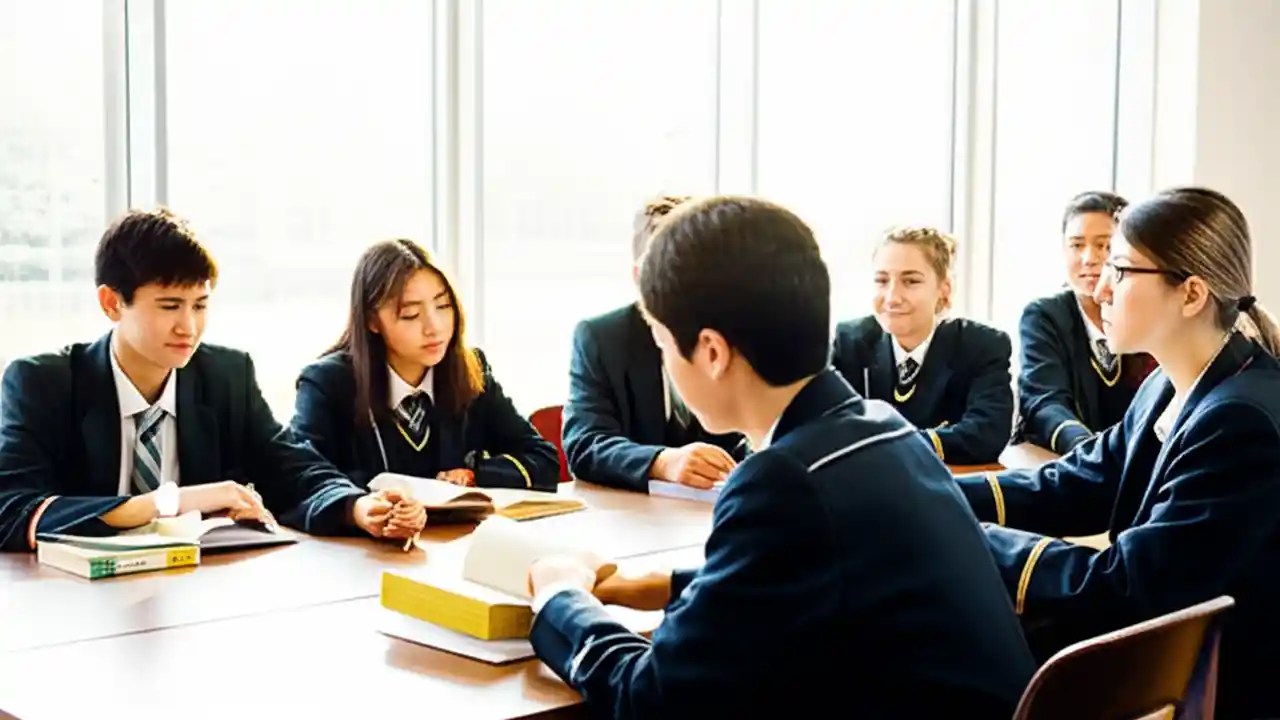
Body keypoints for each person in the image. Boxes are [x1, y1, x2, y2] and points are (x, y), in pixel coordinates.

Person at [526, 196, 1036, 717]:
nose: (663, 357)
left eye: (662, 342)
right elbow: (798, 577)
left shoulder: (784, 482)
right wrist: (652, 586)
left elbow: (654, 700)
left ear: (711, 352)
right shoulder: (883, 430)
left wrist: (560, 598)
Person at [956, 187, 1280, 719]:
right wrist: (931, 489)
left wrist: (969, 534)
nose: (1101, 287)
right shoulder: (1166, 386)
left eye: (1122, 270)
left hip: (1227, 691)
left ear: (1191, 293)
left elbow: (1126, 588)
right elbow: (1076, 483)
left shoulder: (1240, 421)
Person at [0, 208, 422, 552]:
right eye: (169, 306)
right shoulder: (42, 384)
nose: (189, 326)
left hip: (198, 596)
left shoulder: (225, 375)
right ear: (112, 303)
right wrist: (171, 502)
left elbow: (291, 466)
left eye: (200, 305)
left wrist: (358, 506)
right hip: (74, 606)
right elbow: (11, 510)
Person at [292, 239, 558, 491]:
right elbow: (300, 477)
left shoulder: (470, 369)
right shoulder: (327, 383)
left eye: (443, 306)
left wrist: (475, 474)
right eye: (411, 315)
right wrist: (380, 497)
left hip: (457, 538)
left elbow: (543, 459)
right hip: (368, 537)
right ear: (372, 320)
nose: (435, 327)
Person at [562, 194, 745, 492]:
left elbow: (758, 431)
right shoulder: (601, 337)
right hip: (634, 519)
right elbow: (585, 443)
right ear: (638, 277)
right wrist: (662, 463)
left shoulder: (732, 331)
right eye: (668, 272)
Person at [832, 226, 1013, 465]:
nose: (892, 297)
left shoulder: (982, 345)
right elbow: (823, 426)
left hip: (947, 488)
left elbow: (986, 435)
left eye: (911, 281)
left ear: (943, 289)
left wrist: (879, 444)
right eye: (882, 280)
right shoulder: (851, 340)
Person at [1016, 191, 1157, 453]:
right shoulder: (1045, 316)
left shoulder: (1148, 314)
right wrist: (1089, 450)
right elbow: (1044, 403)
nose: (1089, 258)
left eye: (1104, 245)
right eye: (1077, 245)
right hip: (1063, 459)